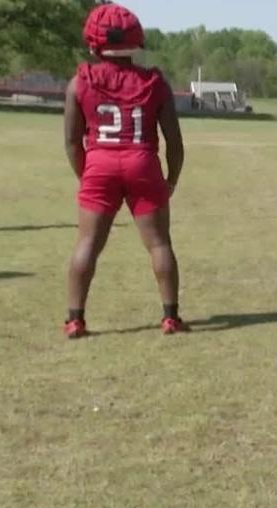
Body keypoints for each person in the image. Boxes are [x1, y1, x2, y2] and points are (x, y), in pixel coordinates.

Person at [63, 2, 186, 338]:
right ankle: (170, 317)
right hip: (142, 162)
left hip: (99, 162)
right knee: (159, 244)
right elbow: (174, 141)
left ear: (93, 42)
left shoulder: (79, 83)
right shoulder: (155, 83)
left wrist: (86, 175)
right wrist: (170, 179)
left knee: (87, 242)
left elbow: (73, 142)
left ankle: (75, 319)